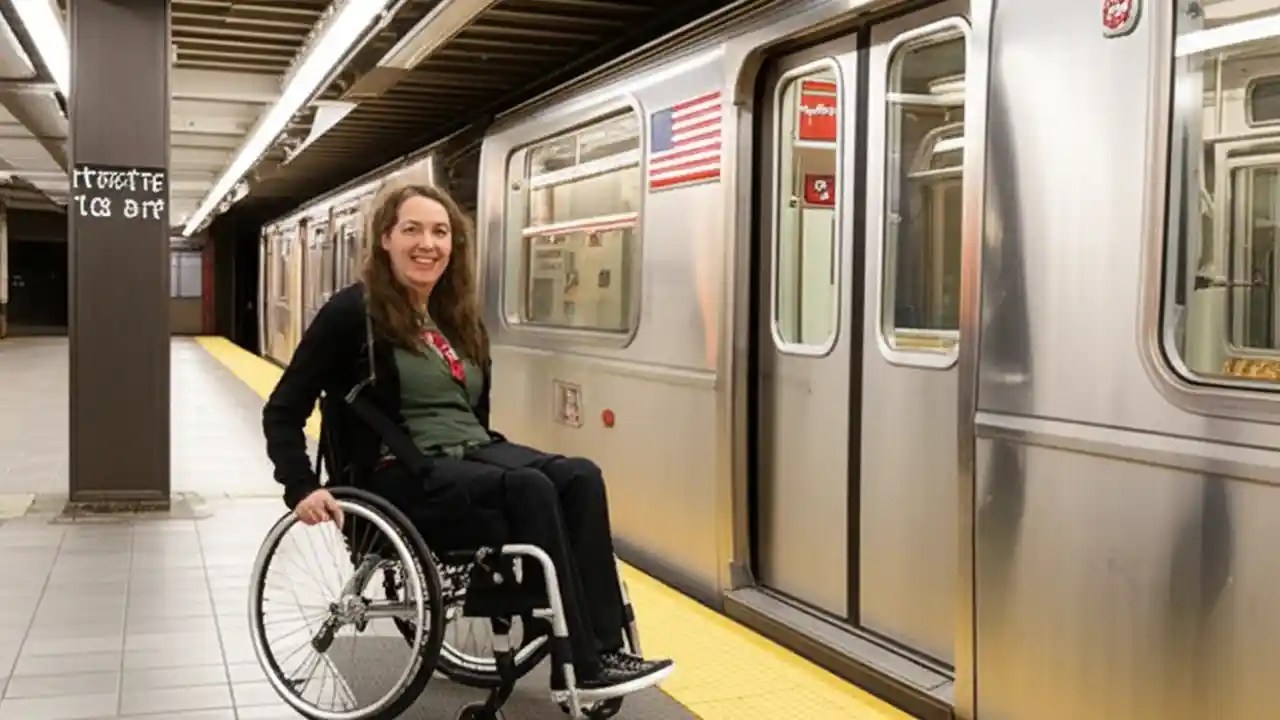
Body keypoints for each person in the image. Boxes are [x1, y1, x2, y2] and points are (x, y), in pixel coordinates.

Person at [261, 182, 673, 694]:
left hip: (467, 455)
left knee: (580, 476)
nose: (427, 243)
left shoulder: (455, 317)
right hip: (396, 473)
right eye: (411, 229)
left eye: (440, 232)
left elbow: (473, 417)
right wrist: (300, 487)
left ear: (454, 245)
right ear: (384, 239)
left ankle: (606, 649)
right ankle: (581, 664)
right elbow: (283, 409)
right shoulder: (352, 314)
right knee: (529, 488)